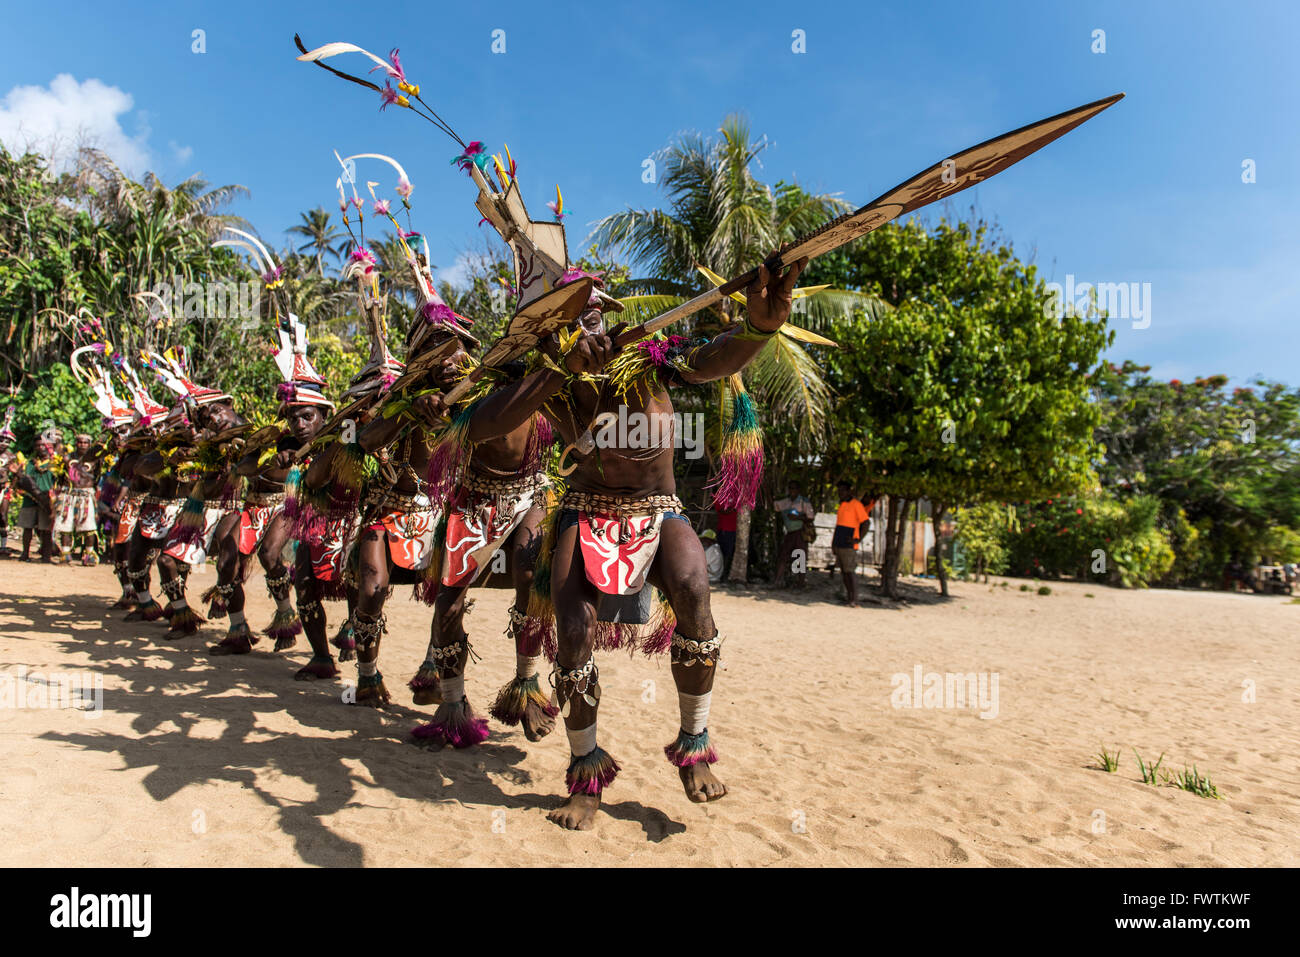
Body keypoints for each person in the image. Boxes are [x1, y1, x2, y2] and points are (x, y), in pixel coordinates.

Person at [461, 255, 806, 830]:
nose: (589, 324)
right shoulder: (549, 380)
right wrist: (555, 371)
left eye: (593, 311)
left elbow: (711, 360)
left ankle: (694, 745)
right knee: (572, 633)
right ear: (554, 331)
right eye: (573, 318)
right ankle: (585, 775)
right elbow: (482, 424)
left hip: (659, 509)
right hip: (584, 507)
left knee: (695, 586)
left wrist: (759, 328)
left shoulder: (651, 357)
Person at [53, 433, 101, 565]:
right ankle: (65, 553)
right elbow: (60, 475)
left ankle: (89, 554)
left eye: (85, 443)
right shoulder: (67, 457)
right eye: (80, 442)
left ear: (90, 444)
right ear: (76, 443)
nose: (82, 445)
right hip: (68, 495)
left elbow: (97, 477)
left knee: (89, 526)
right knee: (64, 525)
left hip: (86, 495)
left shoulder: (96, 459)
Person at [16, 439, 57, 562]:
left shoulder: (55, 463)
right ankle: (25, 553)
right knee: (27, 527)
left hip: (47, 500)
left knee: (46, 529)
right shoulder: (30, 464)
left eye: (43, 445)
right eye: (38, 445)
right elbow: (23, 480)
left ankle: (46, 556)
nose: (41, 447)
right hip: (29, 499)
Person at [832, 480, 871, 607]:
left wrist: (858, 539)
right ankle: (849, 598)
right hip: (839, 542)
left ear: (849, 491)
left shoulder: (856, 505)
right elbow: (838, 525)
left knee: (850, 572)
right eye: (839, 491)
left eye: (843, 490)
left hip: (849, 544)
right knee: (844, 572)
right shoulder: (842, 505)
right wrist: (834, 543)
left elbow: (866, 522)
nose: (840, 493)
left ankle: (855, 600)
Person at [773, 479, 815, 589]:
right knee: (783, 556)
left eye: (794, 488)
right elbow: (774, 505)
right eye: (790, 488)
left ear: (798, 490)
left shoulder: (803, 501)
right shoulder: (785, 502)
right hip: (790, 533)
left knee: (800, 557)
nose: (792, 490)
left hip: (800, 533)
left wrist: (798, 518)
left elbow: (810, 517)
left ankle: (800, 583)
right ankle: (777, 581)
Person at [0, 407, 19, 557]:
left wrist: (10, 487)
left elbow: (17, 473)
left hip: (3, 489)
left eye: (7, 441)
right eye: (1, 440)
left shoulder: (11, 456)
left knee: (2, 516)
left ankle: (3, 546)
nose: (3, 443)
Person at [714, 507, 737, 579]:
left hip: (734, 530)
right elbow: (723, 510)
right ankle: (723, 575)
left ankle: (727, 575)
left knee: (730, 553)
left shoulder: (737, 497)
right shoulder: (719, 497)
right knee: (723, 553)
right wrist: (735, 507)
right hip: (724, 529)